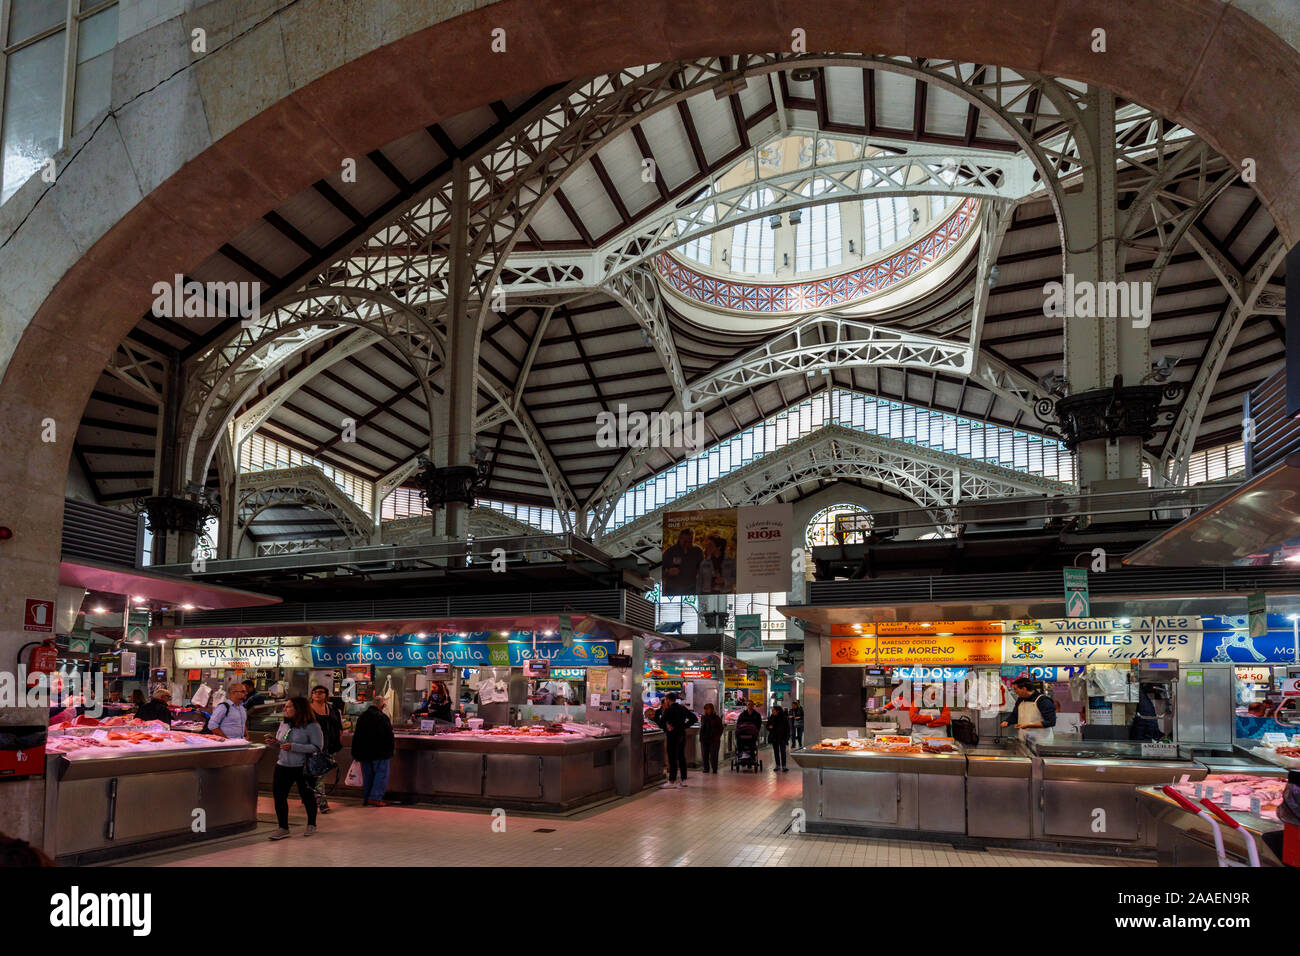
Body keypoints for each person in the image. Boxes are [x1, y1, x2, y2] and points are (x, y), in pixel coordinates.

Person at [268, 697, 323, 840]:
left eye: (289, 707)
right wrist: (275, 743)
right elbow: (283, 743)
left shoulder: (312, 726)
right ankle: (283, 827)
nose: (285, 709)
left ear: (299, 708)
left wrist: (294, 747)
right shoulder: (284, 724)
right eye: (285, 706)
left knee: (307, 796)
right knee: (279, 796)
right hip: (283, 765)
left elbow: (317, 747)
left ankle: (311, 823)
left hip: (302, 767)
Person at [351, 696, 395, 807]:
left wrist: (355, 752)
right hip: (380, 752)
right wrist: (391, 749)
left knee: (368, 776)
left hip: (364, 752)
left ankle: (367, 797)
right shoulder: (383, 717)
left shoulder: (362, 717)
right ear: (382, 706)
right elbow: (388, 736)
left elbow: (357, 736)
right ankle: (375, 798)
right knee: (381, 775)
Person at [307, 685, 343, 813]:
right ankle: (322, 803)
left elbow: (339, 727)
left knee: (317, 774)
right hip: (312, 746)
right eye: (315, 692)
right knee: (318, 775)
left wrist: (338, 739)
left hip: (328, 746)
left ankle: (309, 796)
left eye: (321, 692)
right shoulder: (307, 710)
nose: (317, 694)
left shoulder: (332, 709)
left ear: (326, 695)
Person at [655, 692, 697, 788]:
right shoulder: (682, 708)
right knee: (681, 757)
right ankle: (683, 780)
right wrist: (684, 726)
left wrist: (667, 727)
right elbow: (694, 718)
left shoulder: (668, 710)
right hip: (682, 735)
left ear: (668, 700)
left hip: (672, 736)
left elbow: (660, 723)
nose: (665, 701)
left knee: (672, 758)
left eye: (666, 700)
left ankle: (672, 781)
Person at [1000, 678, 1057, 744]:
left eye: (1016, 689)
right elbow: (1015, 715)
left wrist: (1028, 725)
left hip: (1041, 741)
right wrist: (1007, 721)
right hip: (1024, 739)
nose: (1015, 692)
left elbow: (1051, 722)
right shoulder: (1020, 700)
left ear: (1024, 689)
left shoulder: (1043, 701)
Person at [661, 529, 704, 596]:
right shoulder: (670, 552)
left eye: (690, 541)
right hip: (672, 590)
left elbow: (702, 569)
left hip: (691, 589)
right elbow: (661, 570)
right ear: (679, 538)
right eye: (685, 541)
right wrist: (668, 572)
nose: (687, 543)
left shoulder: (698, 551)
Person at [698, 702, 724, 773]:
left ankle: (714, 769)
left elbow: (721, 729)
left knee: (713, 755)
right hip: (704, 739)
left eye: (707, 709)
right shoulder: (703, 717)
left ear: (712, 709)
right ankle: (706, 768)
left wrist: (716, 736)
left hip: (714, 740)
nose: (706, 710)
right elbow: (702, 728)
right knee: (705, 755)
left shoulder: (716, 718)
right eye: (705, 709)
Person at [767, 704, 791, 771]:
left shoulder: (784, 718)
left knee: (783, 751)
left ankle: (784, 766)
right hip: (774, 737)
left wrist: (787, 737)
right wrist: (770, 727)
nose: (772, 711)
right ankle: (777, 765)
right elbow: (768, 726)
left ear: (777, 711)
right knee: (776, 752)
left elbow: (787, 728)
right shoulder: (771, 717)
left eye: (773, 710)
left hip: (782, 737)